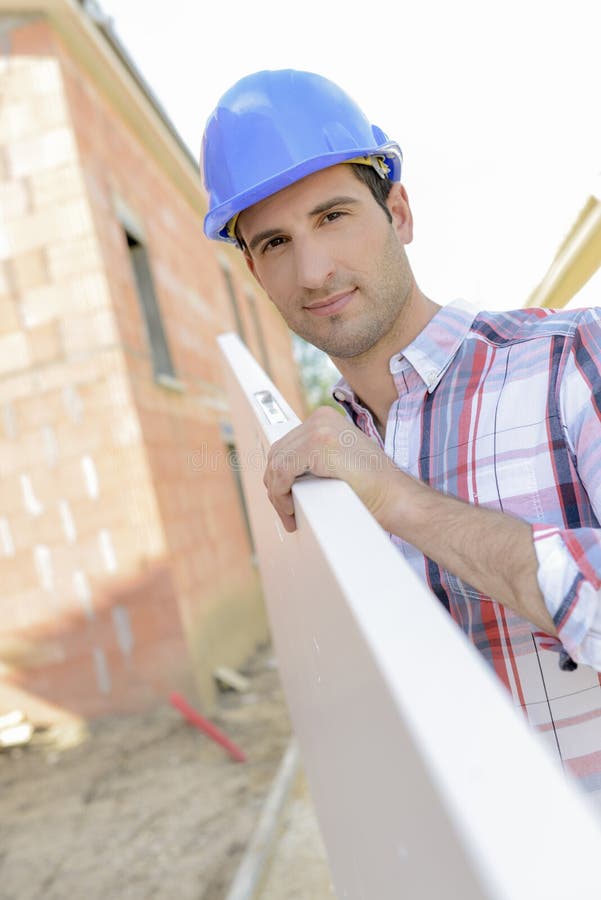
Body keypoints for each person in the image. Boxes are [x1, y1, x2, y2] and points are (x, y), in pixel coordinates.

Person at [200, 69, 601, 800]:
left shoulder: (572, 359)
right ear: (255, 272)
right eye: (276, 242)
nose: (313, 271)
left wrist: (399, 501)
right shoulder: (317, 476)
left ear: (399, 212)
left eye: (332, 216)